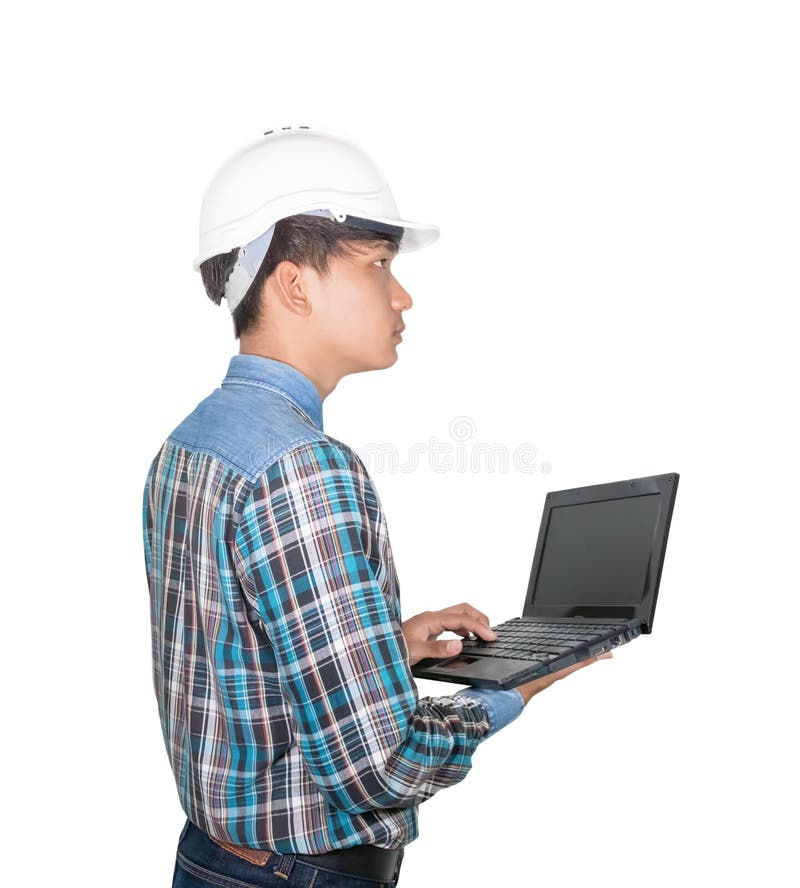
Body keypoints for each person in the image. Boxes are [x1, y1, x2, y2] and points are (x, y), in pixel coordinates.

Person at [141, 124, 612, 888]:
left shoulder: (189, 446)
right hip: (301, 875)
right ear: (294, 285)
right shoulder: (303, 469)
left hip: (215, 860)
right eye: (378, 265)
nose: (403, 294)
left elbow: (242, 673)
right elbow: (380, 768)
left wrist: (386, 648)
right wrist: (514, 687)